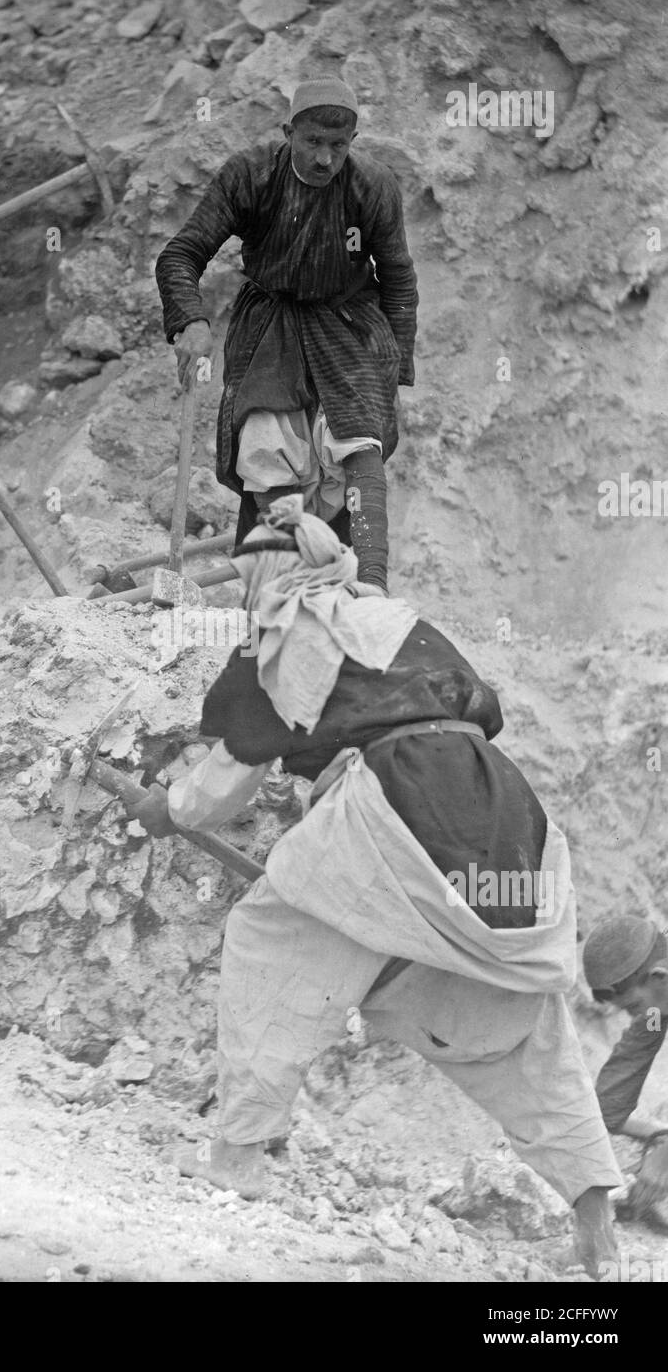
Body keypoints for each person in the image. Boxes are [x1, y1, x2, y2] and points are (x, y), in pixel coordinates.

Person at [134, 496, 623, 1279]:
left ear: (269, 571)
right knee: (519, 1020)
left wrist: (167, 809)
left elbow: (231, 769)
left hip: (400, 804)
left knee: (275, 936)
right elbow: (476, 715)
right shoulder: (401, 620)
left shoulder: (293, 628)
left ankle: (236, 1157)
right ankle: (596, 1218)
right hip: (503, 816)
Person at [155, 76, 418, 594]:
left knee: (359, 446)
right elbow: (181, 254)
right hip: (270, 325)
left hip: (349, 321)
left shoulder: (374, 186)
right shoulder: (250, 176)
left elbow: (399, 276)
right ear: (288, 133)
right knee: (268, 449)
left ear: (353, 142)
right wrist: (192, 319)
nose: (325, 159)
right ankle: (282, 586)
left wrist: (394, 364)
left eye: (338, 146)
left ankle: (371, 586)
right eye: (313, 143)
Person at [583, 916, 668, 1228]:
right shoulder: (656, 1012)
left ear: (659, 978)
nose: (637, 1017)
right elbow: (610, 1105)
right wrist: (658, 1136)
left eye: (633, 1006)